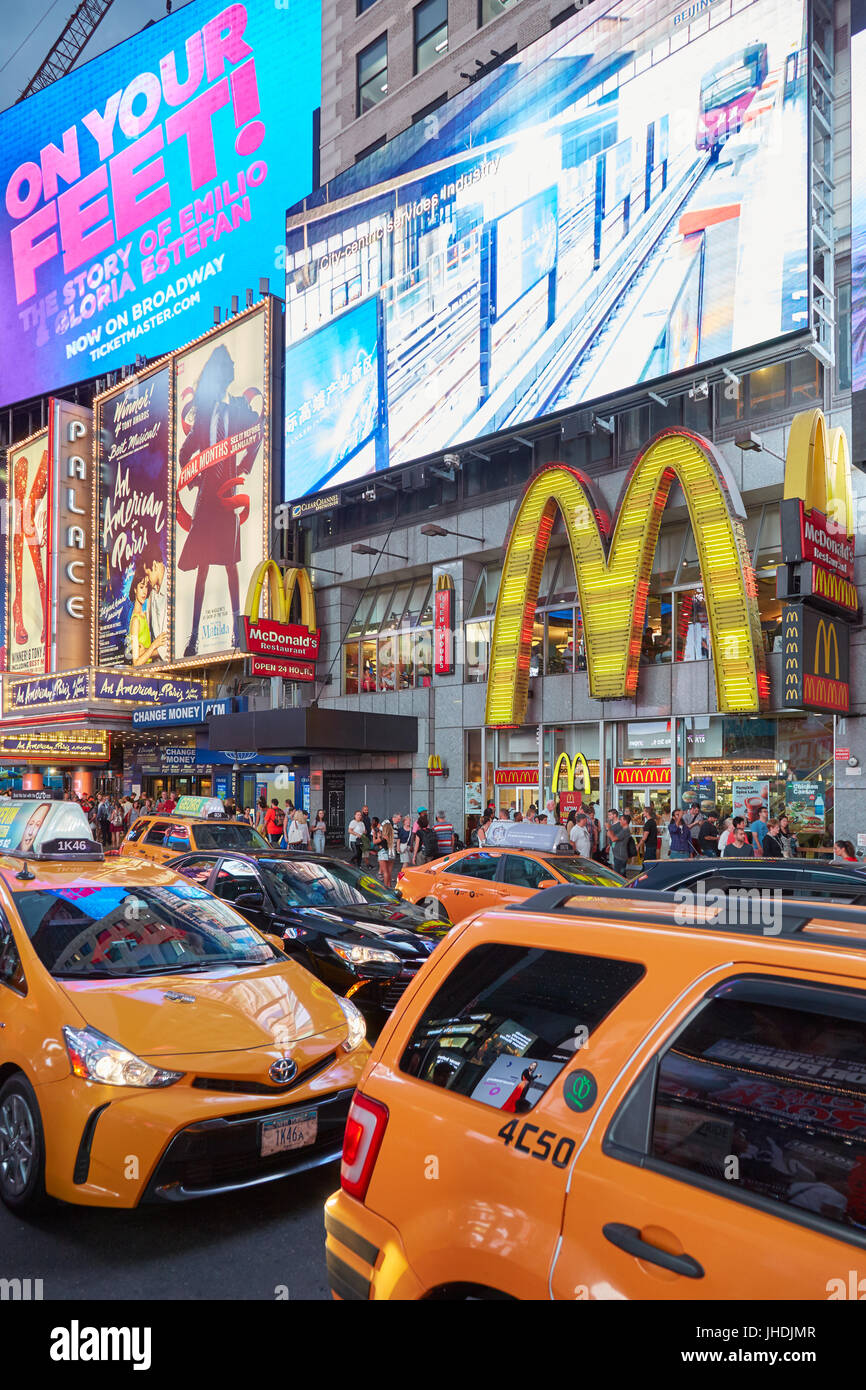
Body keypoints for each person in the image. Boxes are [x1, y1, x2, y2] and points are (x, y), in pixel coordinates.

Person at [177, 340, 262, 656]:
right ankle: (193, 638)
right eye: (228, 368)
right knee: (201, 568)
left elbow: (259, 431)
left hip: (227, 497)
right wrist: (194, 475)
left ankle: (238, 635)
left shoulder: (239, 407)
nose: (232, 372)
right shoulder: (203, 415)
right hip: (205, 501)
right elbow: (185, 453)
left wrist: (244, 465)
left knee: (229, 565)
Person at [141, 543, 169, 661]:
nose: (147, 579)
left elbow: (169, 645)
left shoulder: (173, 587)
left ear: (154, 565)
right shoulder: (152, 594)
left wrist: (146, 652)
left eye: (148, 574)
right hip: (157, 666)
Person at [378, 819, 396, 888]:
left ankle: (385, 887)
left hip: (383, 854)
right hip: (392, 854)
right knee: (389, 872)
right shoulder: (393, 836)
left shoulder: (383, 837)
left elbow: (380, 846)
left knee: (385, 872)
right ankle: (389, 885)